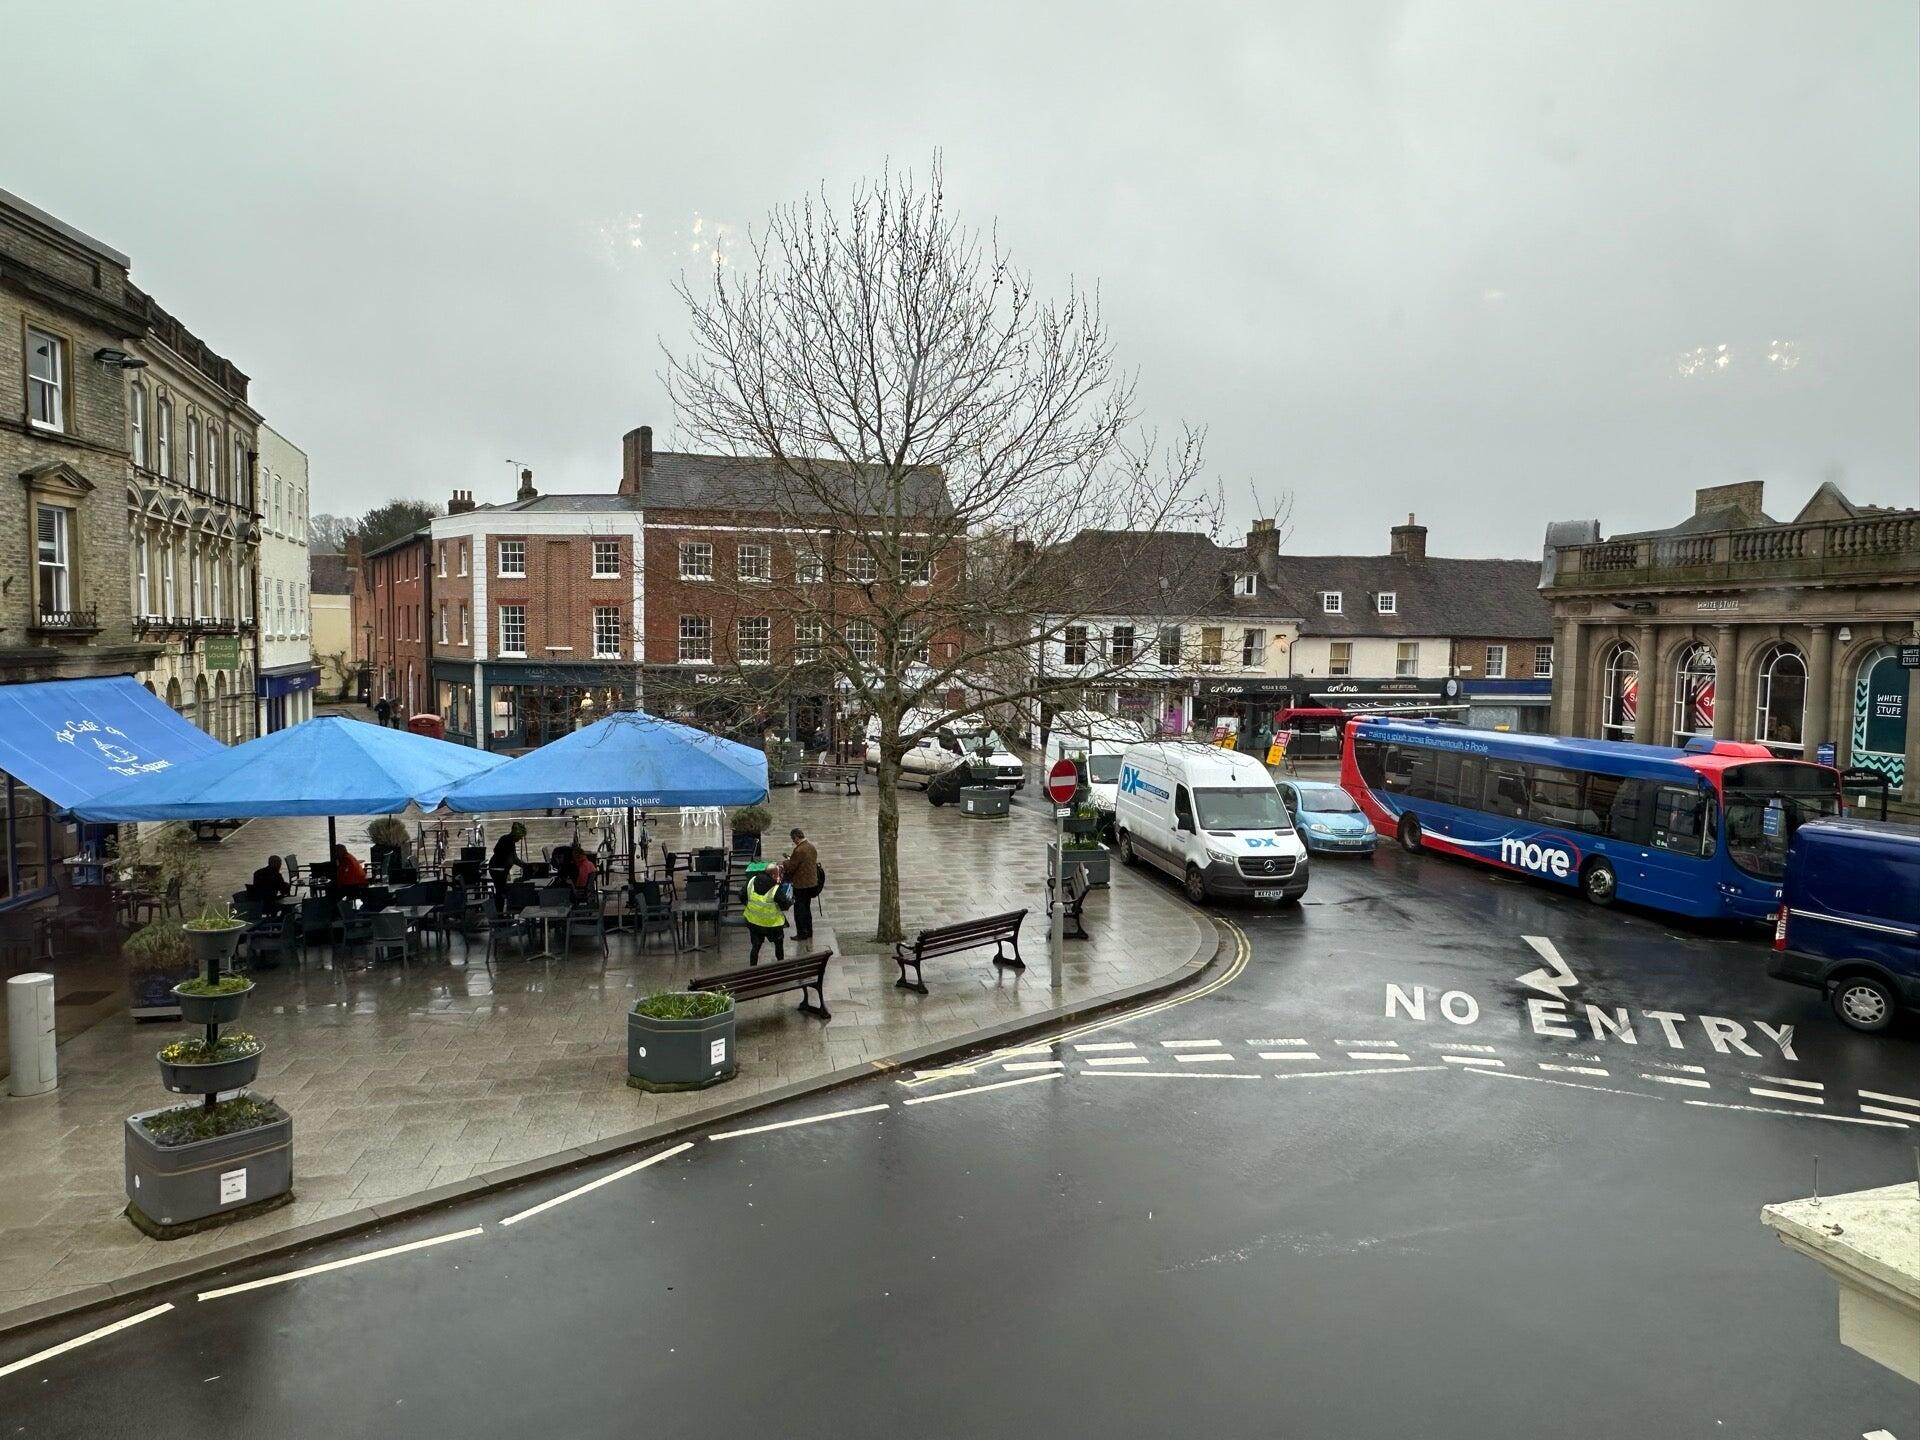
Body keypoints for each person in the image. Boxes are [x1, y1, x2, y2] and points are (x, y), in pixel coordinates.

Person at [741, 861, 788, 966]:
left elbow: (742, 895)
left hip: (753, 922)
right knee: (778, 944)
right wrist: (790, 900)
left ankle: (753, 968)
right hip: (773, 924)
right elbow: (785, 905)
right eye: (777, 874)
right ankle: (781, 965)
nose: (778, 877)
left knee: (756, 947)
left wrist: (750, 906)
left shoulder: (752, 881)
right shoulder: (775, 888)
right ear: (772, 875)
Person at [783, 828, 822, 943]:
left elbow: (791, 867)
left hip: (801, 885)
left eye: (793, 839)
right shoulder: (811, 847)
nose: (793, 842)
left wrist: (785, 862)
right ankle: (809, 931)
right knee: (807, 908)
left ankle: (801, 933)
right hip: (812, 884)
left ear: (796, 837)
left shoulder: (799, 850)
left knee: (799, 910)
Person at [490, 822, 527, 901]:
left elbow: (513, 858)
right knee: (500, 891)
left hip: (498, 867)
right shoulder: (508, 841)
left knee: (500, 891)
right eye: (520, 837)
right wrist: (526, 866)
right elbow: (513, 859)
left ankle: (500, 908)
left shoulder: (507, 839)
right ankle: (499, 910)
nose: (520, 839)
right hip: (497, 869)